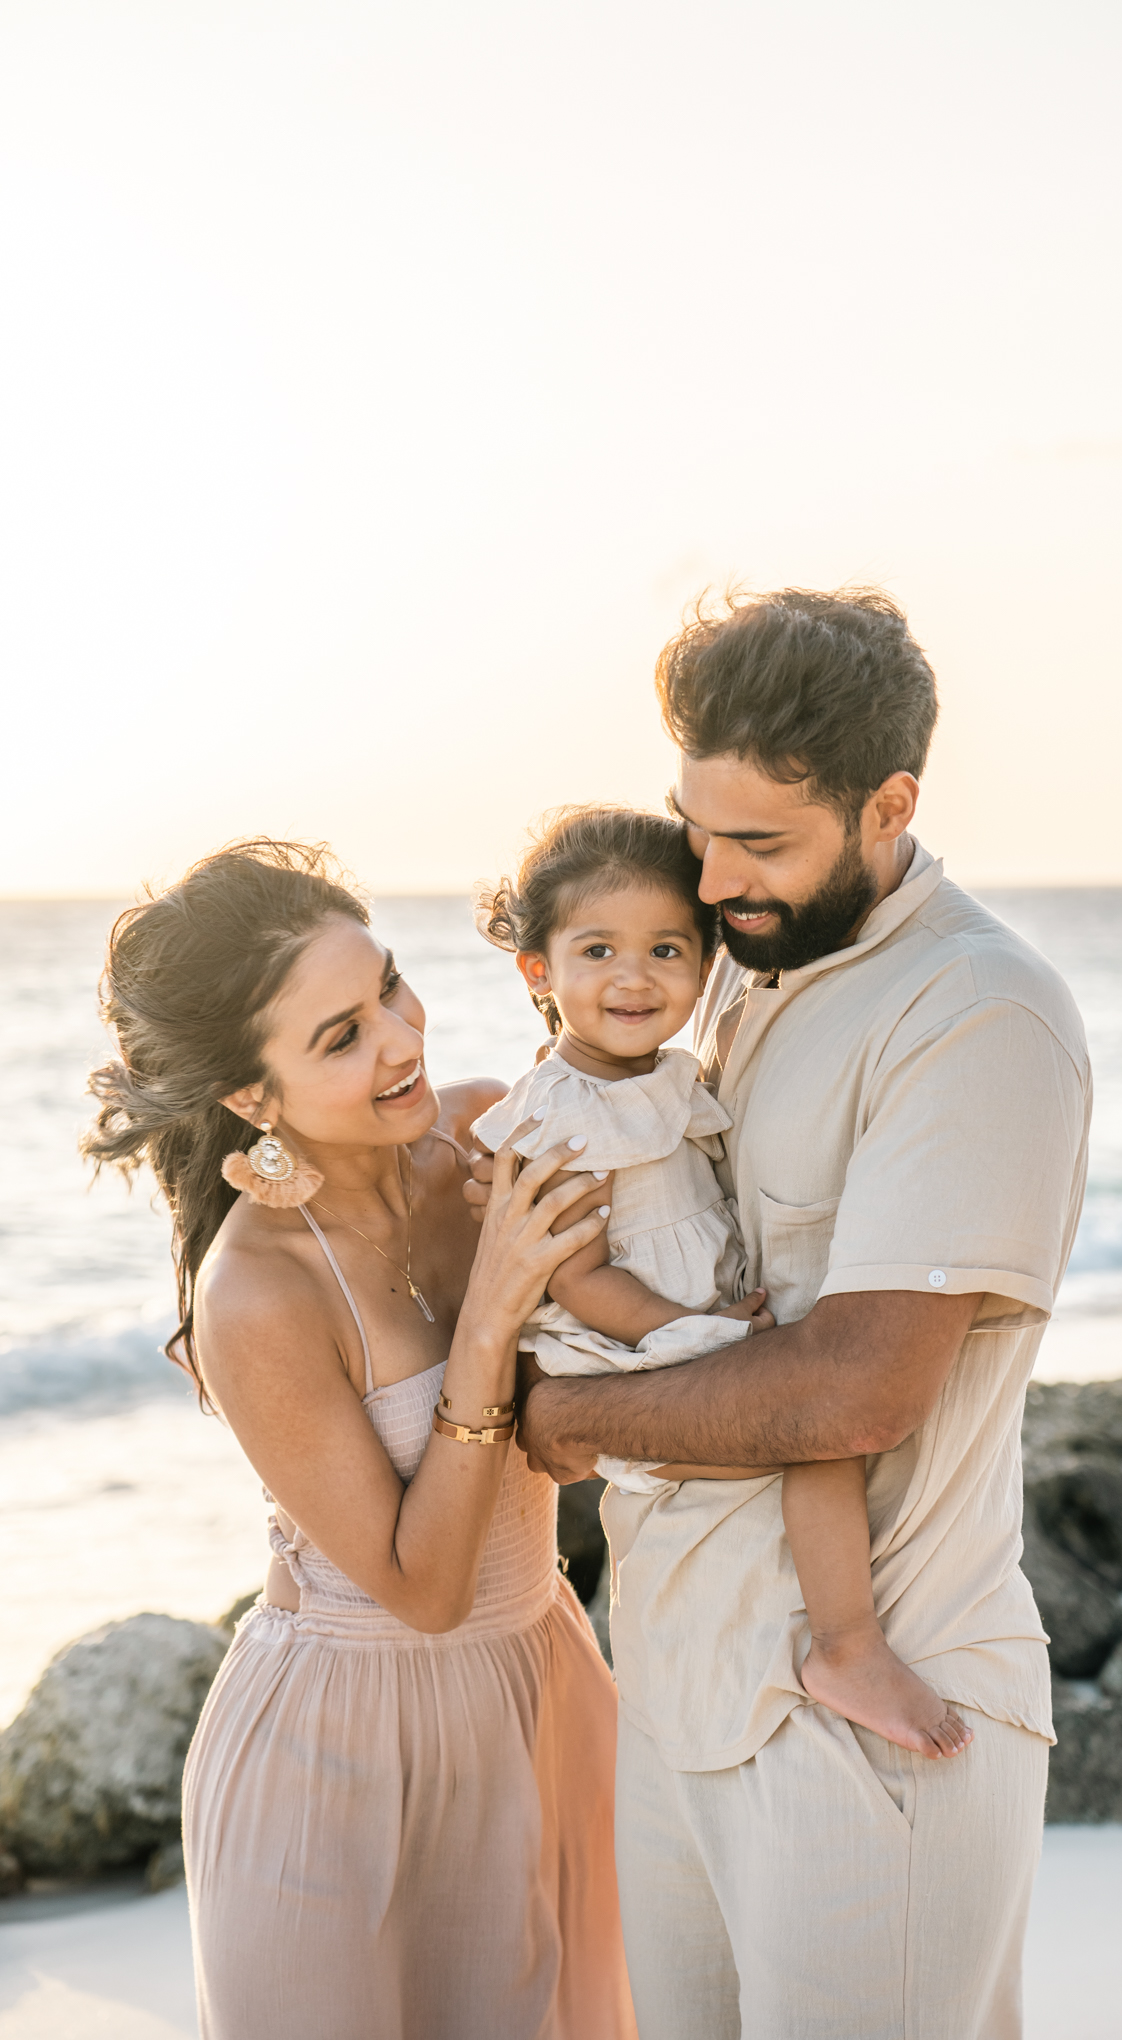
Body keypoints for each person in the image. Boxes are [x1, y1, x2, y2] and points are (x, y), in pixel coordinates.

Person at [472, 589, 1092, 2040]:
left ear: (890, 806)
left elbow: (855, 1391)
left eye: (762, 845)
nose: (714, 879)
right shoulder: (745, 976)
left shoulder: (974, 1010)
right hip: (679, 1686)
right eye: (701, 831)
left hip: (871, 1719)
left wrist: (555, 1412)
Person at [82, 839, 636, 2040]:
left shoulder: (496, 1132)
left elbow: (595, 1421)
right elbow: (422, 1588)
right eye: (339, 1036)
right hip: (337, 1762)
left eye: (386, 984)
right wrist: (493, 1308)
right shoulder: (259, 1293)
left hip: (543, 1688)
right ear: (249, 1098)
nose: (400, 1039)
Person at [471, 802, 971, 1759]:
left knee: (809, 1431)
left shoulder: (669, 1075)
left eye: (667, 952)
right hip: (624, 1346)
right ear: (540, 968)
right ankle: (847, 1646)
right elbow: (578, 1278)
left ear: (706, 966)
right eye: (598, 951)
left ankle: (833, 1636)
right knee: (813, 1439)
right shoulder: (559, 1114)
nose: (634, 977)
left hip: (677, 1324)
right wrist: (696, 1330)